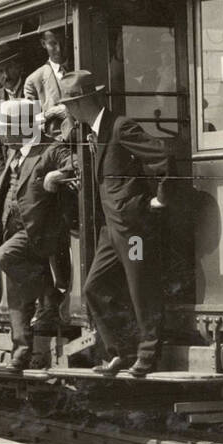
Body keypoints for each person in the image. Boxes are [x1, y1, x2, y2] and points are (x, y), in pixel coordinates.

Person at [58, 70, 170, 377]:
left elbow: (161, 155)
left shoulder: (121, 127)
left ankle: (147, 356)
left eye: (69, 104)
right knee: (94, 288)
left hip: (132, 227)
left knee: (140, 289)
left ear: (80, 104)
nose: (67, 111)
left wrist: (159, 198)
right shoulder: (95, 131)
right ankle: (122, 351)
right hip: (112, 228)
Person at [0, 100, 75, 371]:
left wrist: (56, 176)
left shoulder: (48, 149)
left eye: (6, 128)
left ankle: (49, 294)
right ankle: (21, 351)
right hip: (14, 230)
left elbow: (75, 163)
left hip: (40, 232)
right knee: (16, 293)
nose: (2, 134)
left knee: (3, 257)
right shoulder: (15, 154)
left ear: (24, 127)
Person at [0, 39, 28, 180]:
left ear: (18, 65)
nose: (6, 75)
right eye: (0, 71)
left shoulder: (32, 89)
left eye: (9, 68)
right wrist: (3, 177)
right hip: (11, 174)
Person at [23, 28, 70, 110]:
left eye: (62, 42)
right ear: (43, 44)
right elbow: (30, 120)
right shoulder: (33, 81)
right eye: (53, 44)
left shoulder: (80, 65)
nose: (59, 49)